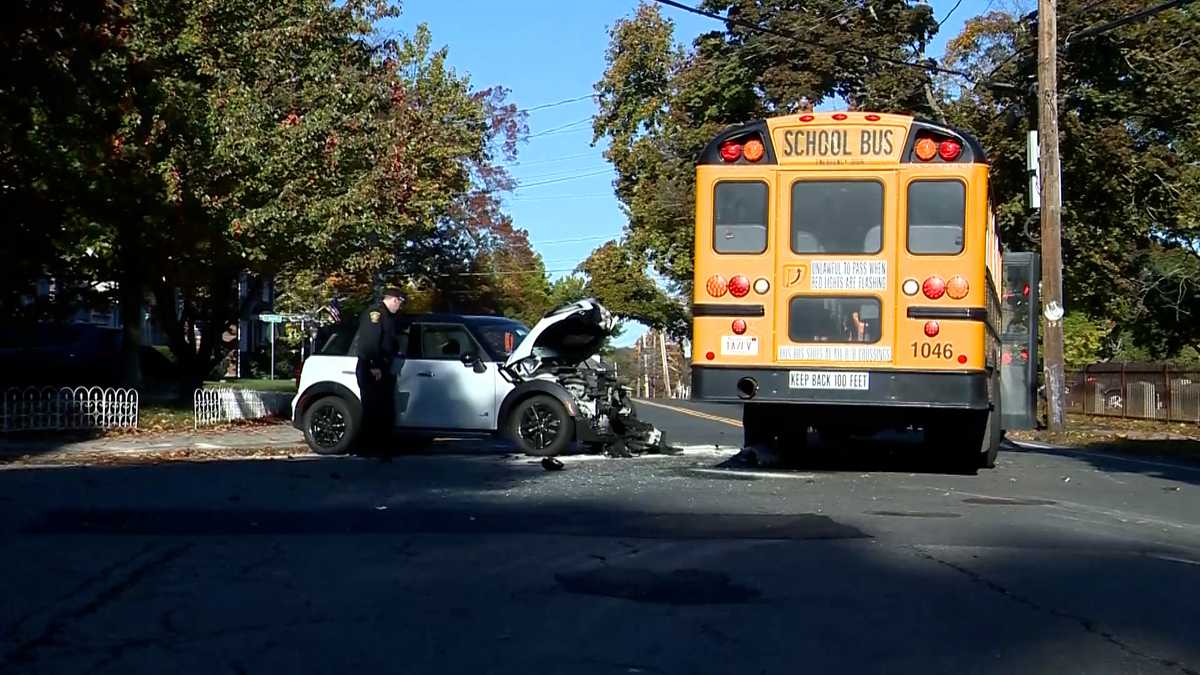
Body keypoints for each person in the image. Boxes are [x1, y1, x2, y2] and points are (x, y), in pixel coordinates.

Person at [356, 286, 405, 455]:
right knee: (372, 408)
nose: (400, 306)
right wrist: (374, 365)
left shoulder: (389, 317)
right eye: (400, 302)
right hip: (371, 367)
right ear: (394, 299)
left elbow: (389, 342)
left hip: (383, 366)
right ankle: (366, 448)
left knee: (383, 408)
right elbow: (369, 343)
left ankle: (380, 447)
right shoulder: (376, 314)